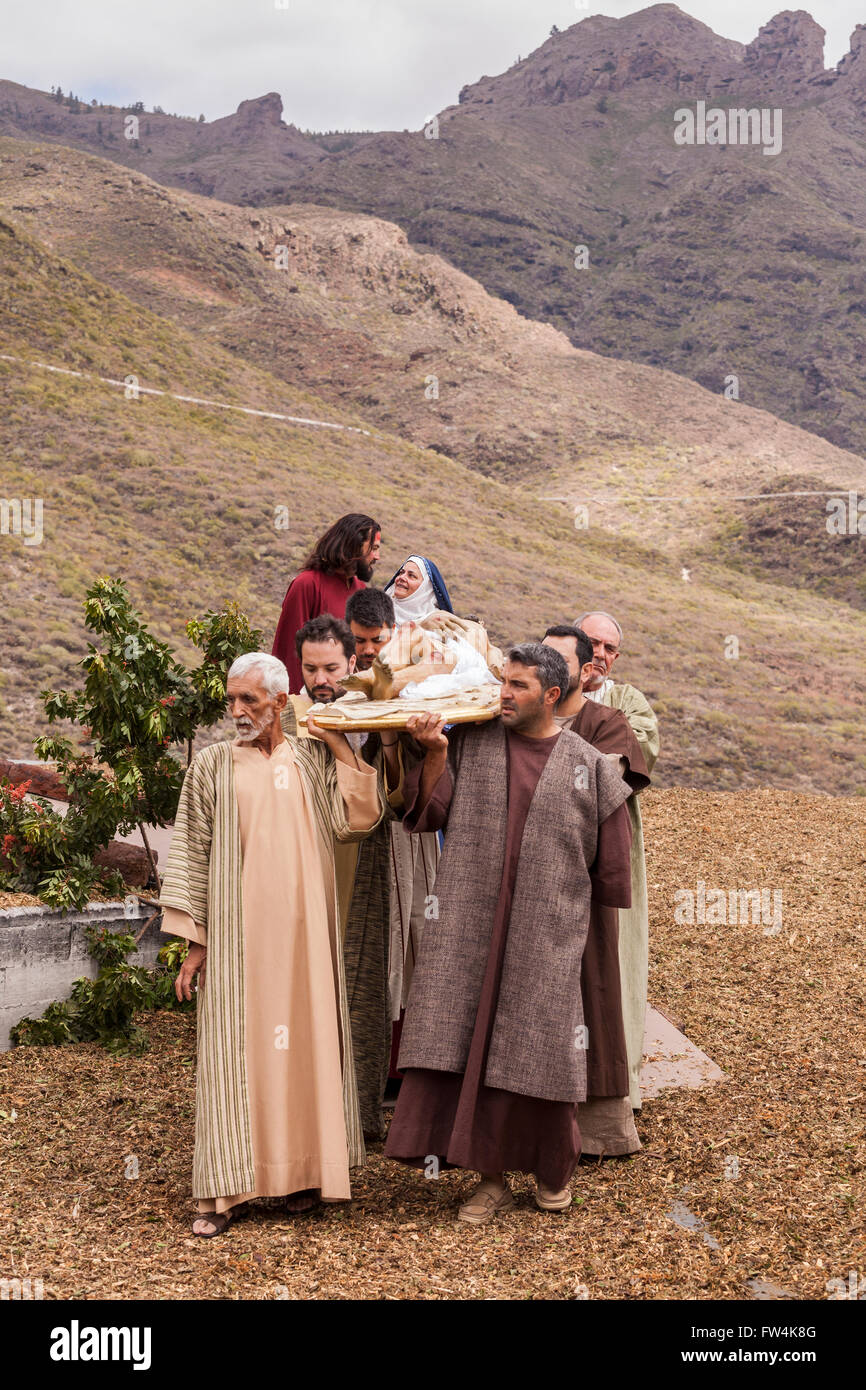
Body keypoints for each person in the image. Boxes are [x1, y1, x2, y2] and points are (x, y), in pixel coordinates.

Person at [384, 643, 633, 1224]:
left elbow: (612, 870)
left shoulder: (589, 766)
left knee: (542, 1053)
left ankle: (552, 1174)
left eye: (518, 687)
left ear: (550, 695)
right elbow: (430, 811)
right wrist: (436, 752)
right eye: (503, 683)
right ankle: (489, 1181)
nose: (504, 694)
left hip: (546, 936)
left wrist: (579, 936)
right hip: (469, 928)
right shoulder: (472, 746)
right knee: (471, 1045)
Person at [159, 652, 383, 1235]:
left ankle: (304, 1174)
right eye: (230, 700)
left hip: (306, 934)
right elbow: (189, 853)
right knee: (237, 1054)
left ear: (280, 703)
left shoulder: (309, 757)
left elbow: (355, 821)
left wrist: (336, 744)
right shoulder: (210, 767)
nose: (236, 711)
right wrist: (197, 942)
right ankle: (224, 1193)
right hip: (239, 938)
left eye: (248, 701)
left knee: (303, 1046)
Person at [281, 613, 402, 1141]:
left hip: (364, 865)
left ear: (352, 662)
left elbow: (394, 800)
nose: (320, 679)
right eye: (310, 669)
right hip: (303, 867)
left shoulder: (377, 712)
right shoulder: (287, 717)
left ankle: (357, 1119)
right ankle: (304, 1118)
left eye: (331, 667)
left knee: (360, 986)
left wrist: (382, 740)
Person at [542, 625, 650, 1157]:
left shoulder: (610, 720)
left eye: (559, 659)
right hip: (519, 884)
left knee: (591, 993)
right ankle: (520, 1132)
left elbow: (609, 779)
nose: (548, 667)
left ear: (585, 670)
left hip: (579, 881)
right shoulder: (513, 715)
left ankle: (595, 1134)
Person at [347, 583, 442, 1086]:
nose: (367, 650)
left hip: (411, 833)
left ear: (394, 634)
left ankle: (415, 1071)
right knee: (373, 943)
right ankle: (373, 1071)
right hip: (360, 841)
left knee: (417, 938)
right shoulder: (340, 686)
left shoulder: (421, 681)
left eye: (376, 640)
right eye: (360, 641)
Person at [576, 611, 659, 1113]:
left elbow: (639, 745)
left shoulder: (626, 702)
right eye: (592, 643)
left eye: (609, 648)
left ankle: (616, 1084)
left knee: (613, 954)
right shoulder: (543, 689)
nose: (600, 655)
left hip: (609, 838)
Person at [271, 514, 381, 692]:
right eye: (374, 548)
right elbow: (289, 650)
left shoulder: (360, 588)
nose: (377, 556)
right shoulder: (306, 584)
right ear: (353, 545)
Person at [382, 554, 452, 627]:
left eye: (411, 575)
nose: (401, 577)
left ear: (425, 587)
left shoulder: (438, 625)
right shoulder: (378, 611)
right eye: (401, 572)